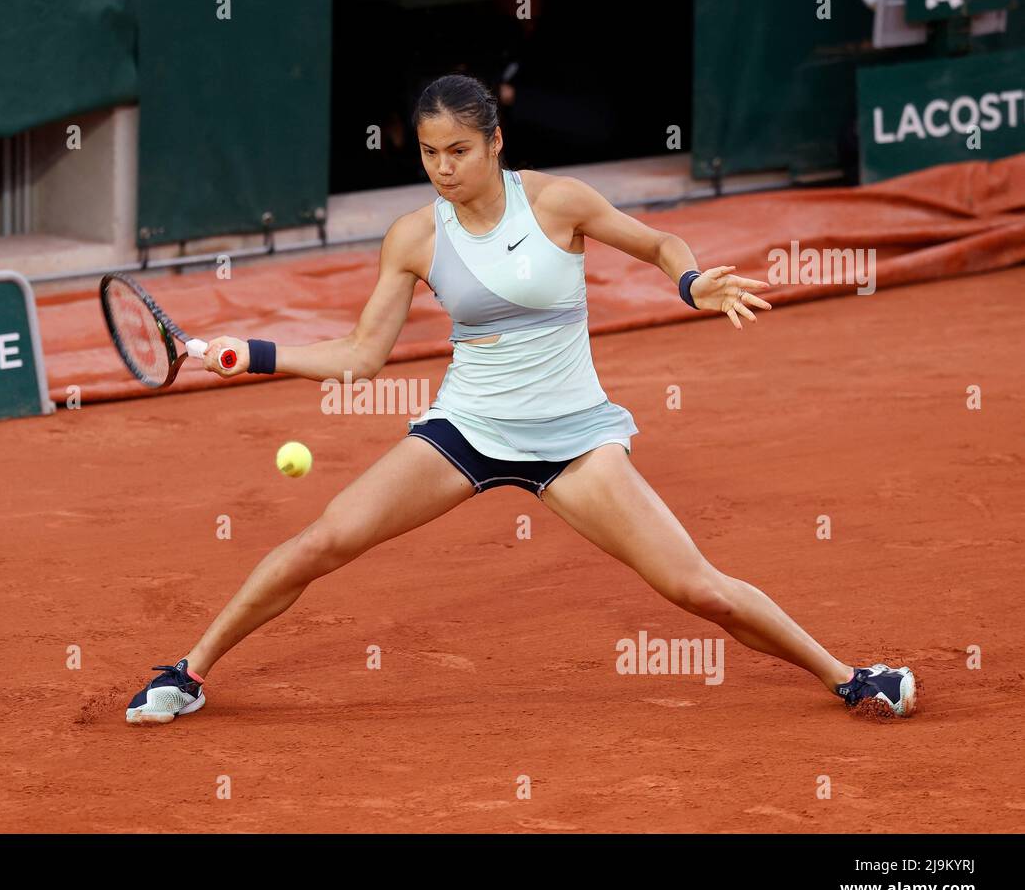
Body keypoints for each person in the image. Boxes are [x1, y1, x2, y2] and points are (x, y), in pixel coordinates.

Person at [125, 74, 916, 724]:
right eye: (429, 152)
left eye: (459, 151)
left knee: (697, 589)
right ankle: (188, 672)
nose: (443, 168)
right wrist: (255, 355)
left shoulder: (556, 203)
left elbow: (657, 242)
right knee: (323, 541)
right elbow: (361, 356)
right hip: (466, 429)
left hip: (575, 442)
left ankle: (850, 677)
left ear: (495, 142)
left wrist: (689, 281)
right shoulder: (414, 237)